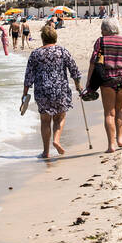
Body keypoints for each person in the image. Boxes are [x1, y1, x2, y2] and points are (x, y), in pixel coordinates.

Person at [22, 24, 83, 159]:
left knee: (45, 121)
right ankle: (56, 140)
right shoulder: (62, 51)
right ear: (55, 37)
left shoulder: (36, 54)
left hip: (42, 91)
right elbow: (74, 70)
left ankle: (46, 152)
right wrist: (78, 85)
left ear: (43, 38)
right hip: (60, 89)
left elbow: (28, 76)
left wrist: (24, 94)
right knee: (60, 117)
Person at [89, 20, 122, 153]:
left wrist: (89, 83)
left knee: (109, 113)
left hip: (107, 80)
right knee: (120, 109)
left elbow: (94, 62)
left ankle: (111, 145)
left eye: (102, 29)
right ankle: (119, 139)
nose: (101, 32)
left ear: (107, 30)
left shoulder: (101, 41)